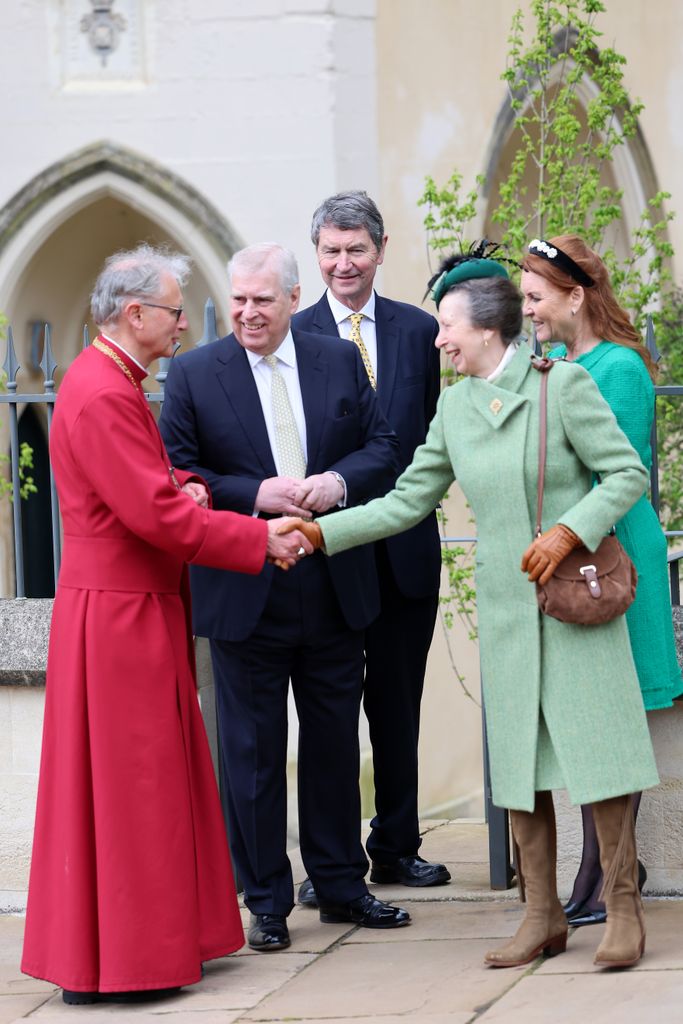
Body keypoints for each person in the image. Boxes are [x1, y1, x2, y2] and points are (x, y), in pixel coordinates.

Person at [278, 248, 660, 970]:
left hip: (573, 598)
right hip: (510, 610)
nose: (437, 340)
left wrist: (568, 528)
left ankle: (622, 909)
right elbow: (405, 501)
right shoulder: (454, 406)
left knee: (601, 758)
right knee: (518, 765)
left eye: (446, 326)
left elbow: (626, 472)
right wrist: (322, 531)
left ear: (487, 328)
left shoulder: (564, 387)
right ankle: (541, 916)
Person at [20, 245, 312, 1004]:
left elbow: (149, 488)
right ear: (134, 313)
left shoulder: (106, 378)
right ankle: (126, 959)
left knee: (151, 782)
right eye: (176, 309)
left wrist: (185, 488)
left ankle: (159, 940)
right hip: (119, 614)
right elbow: (151, 516)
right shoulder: (102, 390)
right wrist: (256, 538)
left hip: (127, 605)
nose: (186, 322)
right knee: (132, 789)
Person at [159, 243, 409, 953]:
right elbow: (178, 468)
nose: (245, 312)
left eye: (261, 300)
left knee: (333, 745)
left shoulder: (334, 359)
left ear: (293, 299)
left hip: (333, 584)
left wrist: (335, 485)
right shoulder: (195, 372)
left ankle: (339, 886)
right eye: (236, 299)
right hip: (244, 590)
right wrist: (255, 495)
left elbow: (382, 447)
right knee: (253, 752)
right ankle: (265, 900)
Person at [521, 234, 682, 927]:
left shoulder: (619, 369)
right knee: (587, 721)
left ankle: (604, 875)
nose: (527, 311)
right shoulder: (552, 363)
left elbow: (609, 476)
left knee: (611, 716)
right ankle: (604, 872)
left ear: (572, 297)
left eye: (534, 298)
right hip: (568, 553)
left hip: (609, 558)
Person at [292, 191, 447, 907]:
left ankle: (396, 847)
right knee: (327, 716)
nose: (343, 263)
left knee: (396, 707)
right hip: (331, 553)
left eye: (356, 249)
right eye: (331, 250)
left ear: (380, 250)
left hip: (406, 550)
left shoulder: (421, 332)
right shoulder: (292, 337)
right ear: (316, 254)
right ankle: (332, 861)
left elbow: (437, 432)